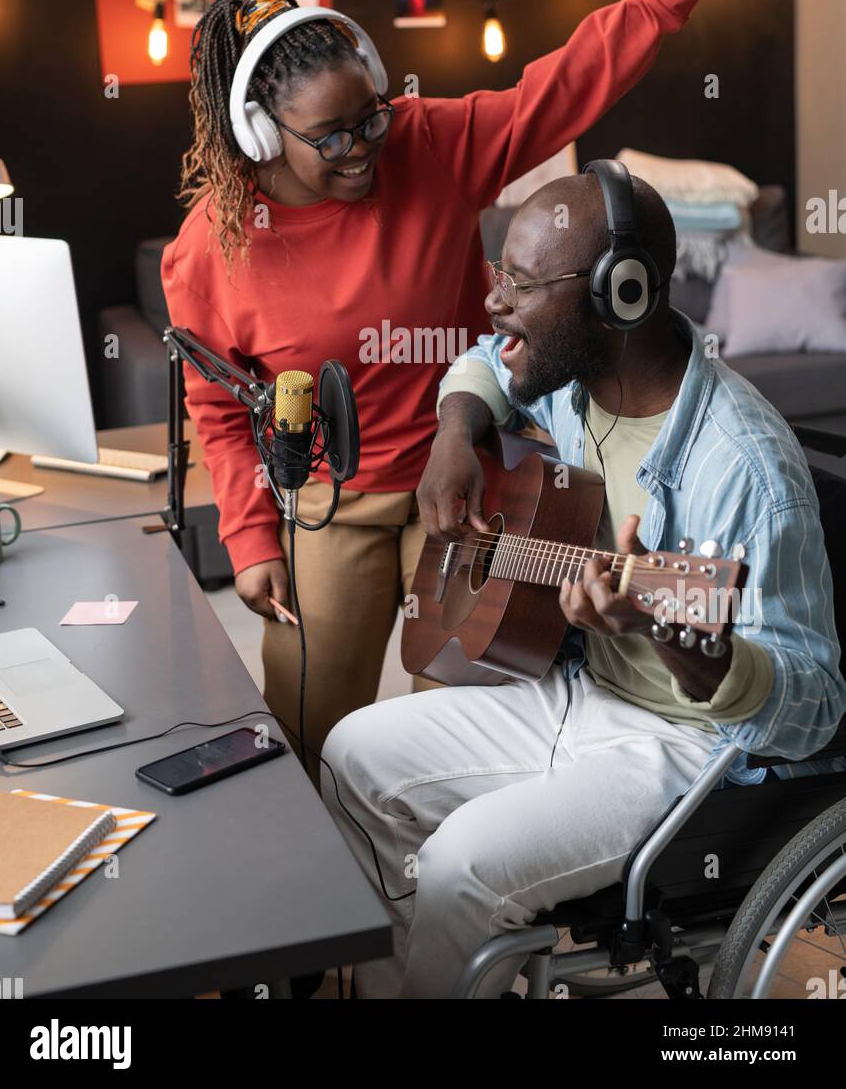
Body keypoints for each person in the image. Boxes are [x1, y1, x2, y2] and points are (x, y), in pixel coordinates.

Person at [161, 0, 745, 784]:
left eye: (372, 116)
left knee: (464, 742)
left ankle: (455, 905)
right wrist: (250, 541)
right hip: (332, 507)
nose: (365, 149)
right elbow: (219, 404)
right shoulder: (211, 250)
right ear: (264, 135)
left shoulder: (425, 141)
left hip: (470, 487)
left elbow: (561, 91)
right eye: (333, 137)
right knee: (307, 737)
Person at [321, 166, 846, 998]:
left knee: (463, 863)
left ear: (621, 295)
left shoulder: (746, 468)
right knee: (352, 753)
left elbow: (814, 705)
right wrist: (454, 433)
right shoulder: (572, 383)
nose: (495, 303)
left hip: (681, 746)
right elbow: (483, 363)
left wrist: (690, 650)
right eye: (502, 275)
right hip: (572, 688)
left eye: (521, 285)